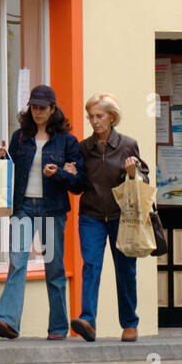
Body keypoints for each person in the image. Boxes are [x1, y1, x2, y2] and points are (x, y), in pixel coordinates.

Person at [0, 84, 81, 340]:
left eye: (42, 107)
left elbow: (77, 182)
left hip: (52, 209)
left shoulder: (67, 141)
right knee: (17, 261)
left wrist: (59, 173)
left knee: (54, 268)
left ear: (53, 109)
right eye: (34, 107)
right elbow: (11, 172)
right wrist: (2, 159)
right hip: (24, 207)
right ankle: (7, 320)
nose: (37, 112)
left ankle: (58, 327)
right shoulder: (20, 137)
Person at [71, 92, 151, 342]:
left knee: (125, 270)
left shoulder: (128, 144)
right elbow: (78, 186)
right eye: (91, 117)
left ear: (112, 117)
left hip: (122, 216)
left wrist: (132, 173)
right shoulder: (84, 148)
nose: (94, 121)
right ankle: (88, 320)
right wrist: (69, 174)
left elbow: (144, 179)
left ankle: (130, 323)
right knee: (91, 266)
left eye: (99, 116)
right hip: (91, 215)